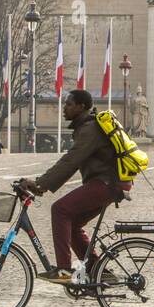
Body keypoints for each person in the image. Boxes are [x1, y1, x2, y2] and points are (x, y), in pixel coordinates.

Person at [18, 89, 130, 284]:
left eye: (69, 104)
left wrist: (40, 183)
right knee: (73, 224)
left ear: (81, 106)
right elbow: (72, 164)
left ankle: (63, 270)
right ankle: (99, 271)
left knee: (60, 209)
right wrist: (41, 185)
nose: (64, 108)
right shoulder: (86, 127)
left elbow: (70, 161)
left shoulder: (90, 129)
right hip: (109, 184)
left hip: (106, 184)